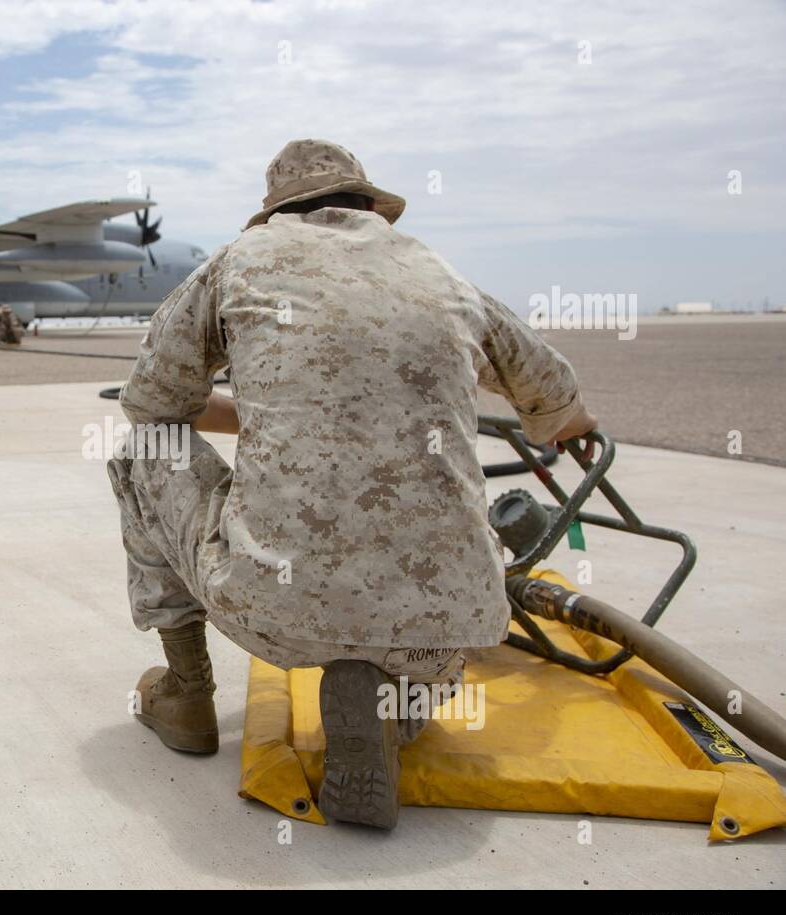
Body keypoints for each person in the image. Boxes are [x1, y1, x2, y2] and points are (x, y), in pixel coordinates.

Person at [106, 139, 596, 829]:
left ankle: (187, 690)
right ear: (370, 207)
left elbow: (152, 404)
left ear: (276, 213)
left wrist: (266, 413)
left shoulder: (240, 263)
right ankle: (399, 707)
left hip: (279, 607)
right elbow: (555, 400)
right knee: (431, 639)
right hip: (451, 616)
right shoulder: (438, 271)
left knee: (144, 449)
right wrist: (573, 421)